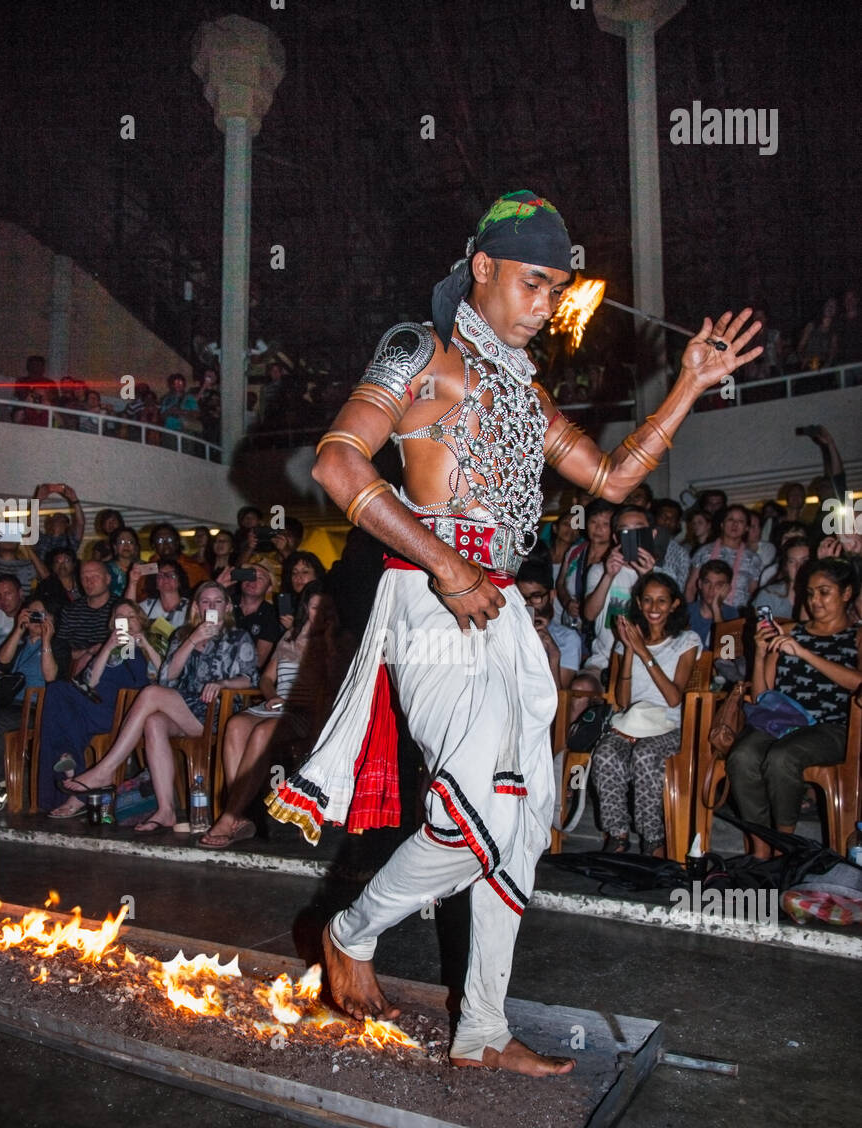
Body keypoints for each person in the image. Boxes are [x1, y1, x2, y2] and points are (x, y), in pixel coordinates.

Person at [264, 187, 761, 1075]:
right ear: (482, 269)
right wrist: (447, 567)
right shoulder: (418, 350)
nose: (545, 305)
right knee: (470, 816)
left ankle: (482, 1030)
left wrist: (686, 384)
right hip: (427, 598)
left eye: (555, 289)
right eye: (532, 283)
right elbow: (337, 461)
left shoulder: (525, 392)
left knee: (524, 817)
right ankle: (352, 929)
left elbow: (610, 478)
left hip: (496, 610)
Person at [62, 582, 257, 832]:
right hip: (184, 710)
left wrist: (223, 683)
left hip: (219, 710)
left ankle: (105, 770)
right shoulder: (182, 634)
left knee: (151, 693)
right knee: (154, 722)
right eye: (205, 601)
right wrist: (192, 640)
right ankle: (166, 810)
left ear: (227, 606)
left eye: (217, 601)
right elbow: (167, 677)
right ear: (196, 607)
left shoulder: (238, 637)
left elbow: (248, 678)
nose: (211, 606)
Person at [726, 558, 862, 860]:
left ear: (847, 593)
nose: (815, 601)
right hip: (780, 721)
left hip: (831, 728)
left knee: (782, 757)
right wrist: (761, 653)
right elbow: (763, 696)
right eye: (810, 593)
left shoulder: (856, 636)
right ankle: (760, 847)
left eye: (824, 592)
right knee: (742, 755)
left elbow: (859, 683)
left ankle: (781, 846)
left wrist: (803, 652)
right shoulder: (792, 632)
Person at [200, 582, 338, 849]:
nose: (319, 613)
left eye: (325, 608)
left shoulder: (336, 641)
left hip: (307, 711)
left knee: (263, 732)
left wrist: (326, 639)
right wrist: (271, 694)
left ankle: (229, 816)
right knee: (237, 724)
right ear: (305, 609)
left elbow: (334, 683)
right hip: (276, 705)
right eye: (313, 607)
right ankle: (241, 813)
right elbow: (266, 678)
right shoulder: (288, 637)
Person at [590, 573, 701, 855]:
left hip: (668, 726)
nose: (654, 607)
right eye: (648, 600)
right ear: (638, 602)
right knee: (605, 754)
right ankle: (617, 835)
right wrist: (629, 649)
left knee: (646, 755)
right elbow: (623, 700)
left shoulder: (686, 641)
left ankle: (653, 839)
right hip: (631, 724)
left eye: (662, 601)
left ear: (674, 604)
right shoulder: (628, 640)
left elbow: (675, 698)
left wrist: (644, 653)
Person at [38, 602, 157, 815]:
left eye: (131, 616)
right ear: (113, 623)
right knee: (58, 706)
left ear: (141, 620)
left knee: (57, 692)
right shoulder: (110, 647)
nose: (127, 621)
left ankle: (71, 778)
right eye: (120, 617)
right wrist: (108, 647)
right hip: (94, 705)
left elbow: (167, 674)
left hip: (125, 711)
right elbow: (91, 682)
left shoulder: (152, 641)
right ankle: (70, 768)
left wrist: (144, 644)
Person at [583, 504, 690, 674]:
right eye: (625, 531)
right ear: (616, 538)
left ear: (652, 535)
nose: (632, 537)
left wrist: (648, 577)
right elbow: (589, 614)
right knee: (582, 690)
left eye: (639, 531)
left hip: (650, 661)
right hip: (605, 661)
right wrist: (608, 576)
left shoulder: (664, 577)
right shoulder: (600, 570)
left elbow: (675, 624)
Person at [0, 597, 70, 792]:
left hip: (38, 709)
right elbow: (2, 663)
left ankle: (0, 783)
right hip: (11, 704)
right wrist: (19, 629)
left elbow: (50, 676)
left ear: (52, 618)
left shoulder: (59, 646)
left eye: (40, 615)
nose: (35, 620)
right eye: (31, 614)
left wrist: (46, 640)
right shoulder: (20, 646)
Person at [556, 499, 613, 654]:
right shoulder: (575, 551)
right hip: (572, 628)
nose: (598, 528)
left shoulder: (615, 559)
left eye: (605, 524)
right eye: (593, 522)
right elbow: (560, 583)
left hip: (602, 635)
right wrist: (567, 602)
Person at [515, 560, 581, 688]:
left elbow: (559, 700)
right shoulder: (509, 630)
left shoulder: (568, 638)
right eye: (522, 598)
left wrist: (553, 654)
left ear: (551, 595)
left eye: (536, 597)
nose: (528, 604)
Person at [685, 504, 762, 609]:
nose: (735, 524)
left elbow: (754, 593)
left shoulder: (753, 558)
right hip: (706, 615)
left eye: (740, 521)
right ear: (722, 524)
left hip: (737, 617)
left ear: (746, 528)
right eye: (730, 520)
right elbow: (691, 588)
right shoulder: (704, 552)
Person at [56, 560, 114, 674]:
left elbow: (127, 651)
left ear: (107, 579)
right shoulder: (71, 610)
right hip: (74, 669)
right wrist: (87, 651)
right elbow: (59, 649)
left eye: (95, 576)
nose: (89, 582)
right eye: (84, 577)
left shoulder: (120, 609)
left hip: (109, 669)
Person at [752, 539, 811, 620]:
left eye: (804, 561)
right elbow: (763, 627)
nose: (798, 567)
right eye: (792, 561)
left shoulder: (820, 596)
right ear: (786, 566)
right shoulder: (768, 594)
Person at [686, 559, 739, 647]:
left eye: (718, 585)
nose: (711, 589)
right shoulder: (686, 611)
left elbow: (727, 652)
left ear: (728, 589)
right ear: (700, 584)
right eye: (707, 583)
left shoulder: (731, 614)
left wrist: (716, 609)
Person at [34, 546, 82, 613]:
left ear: (74, 564)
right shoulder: (45, 586)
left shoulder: (83, 583)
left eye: (66, 561)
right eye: (57, 561)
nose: (62, 565)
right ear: (52, 566)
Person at [106, 528, 141, 598]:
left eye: (130, 542)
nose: (126, 546)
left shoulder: (146, 568)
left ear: (136, 547)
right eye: (121, 542)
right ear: (115, 547)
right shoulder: (105, 569)